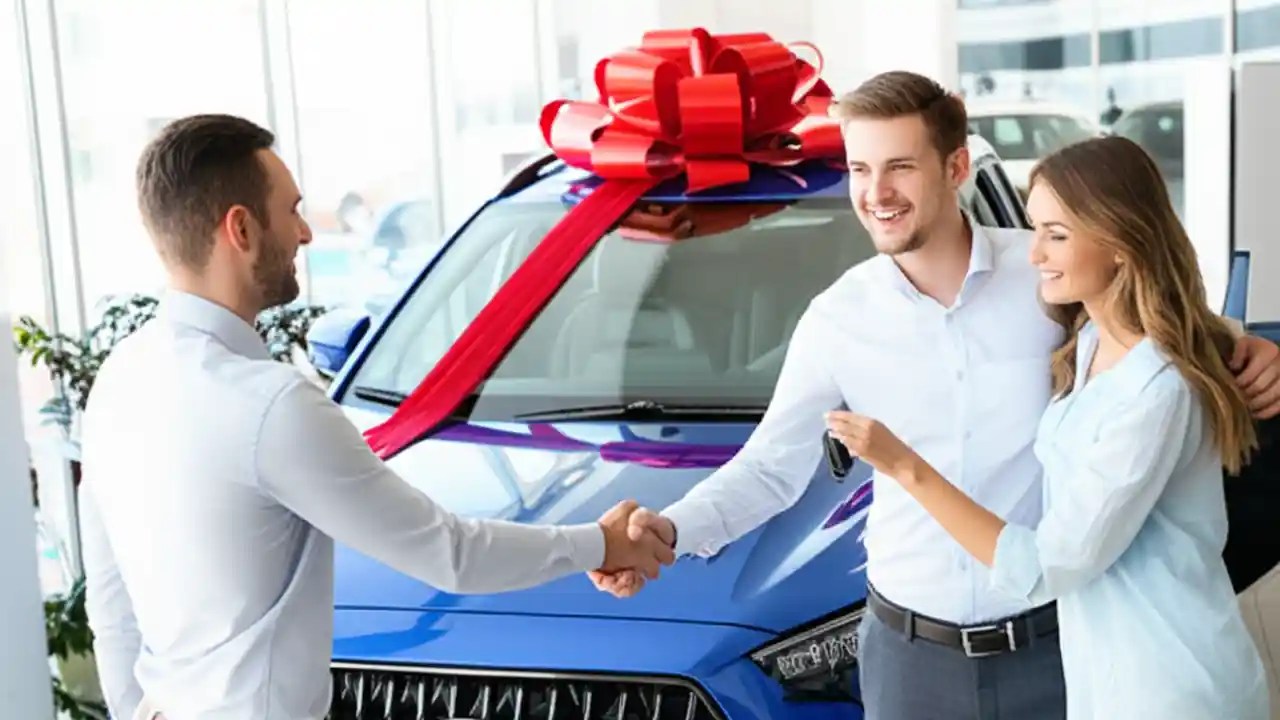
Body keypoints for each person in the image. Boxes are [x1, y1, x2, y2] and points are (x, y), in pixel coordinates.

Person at [590, 71, 1280, 719]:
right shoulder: (838, 319)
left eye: (899, 167)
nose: (876, 193)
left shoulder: (1041, 276)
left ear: (954, 169)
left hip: (1059, 647)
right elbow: (770, 468)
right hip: (910, 659)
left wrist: (1243, 344)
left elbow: (1148, 315)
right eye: (861, 169)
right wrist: (670, 531)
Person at [78, 114, 674, 720]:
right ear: (241, 229)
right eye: (292, 210)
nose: (306, 233)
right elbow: (449, 554)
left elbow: (110, 604)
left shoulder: (116, 382)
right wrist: (599, 544)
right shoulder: (270, 406)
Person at [825, 135, 1270, 718]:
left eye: (1055, 235)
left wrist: (905, 466)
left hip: (1169, 687)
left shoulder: (1155, 393)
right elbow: (1195, 328)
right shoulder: (1087, 341)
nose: (1034, 255)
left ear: (1119, 244)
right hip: (1105, 676)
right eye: (1035, 229)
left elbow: (1045, 568)